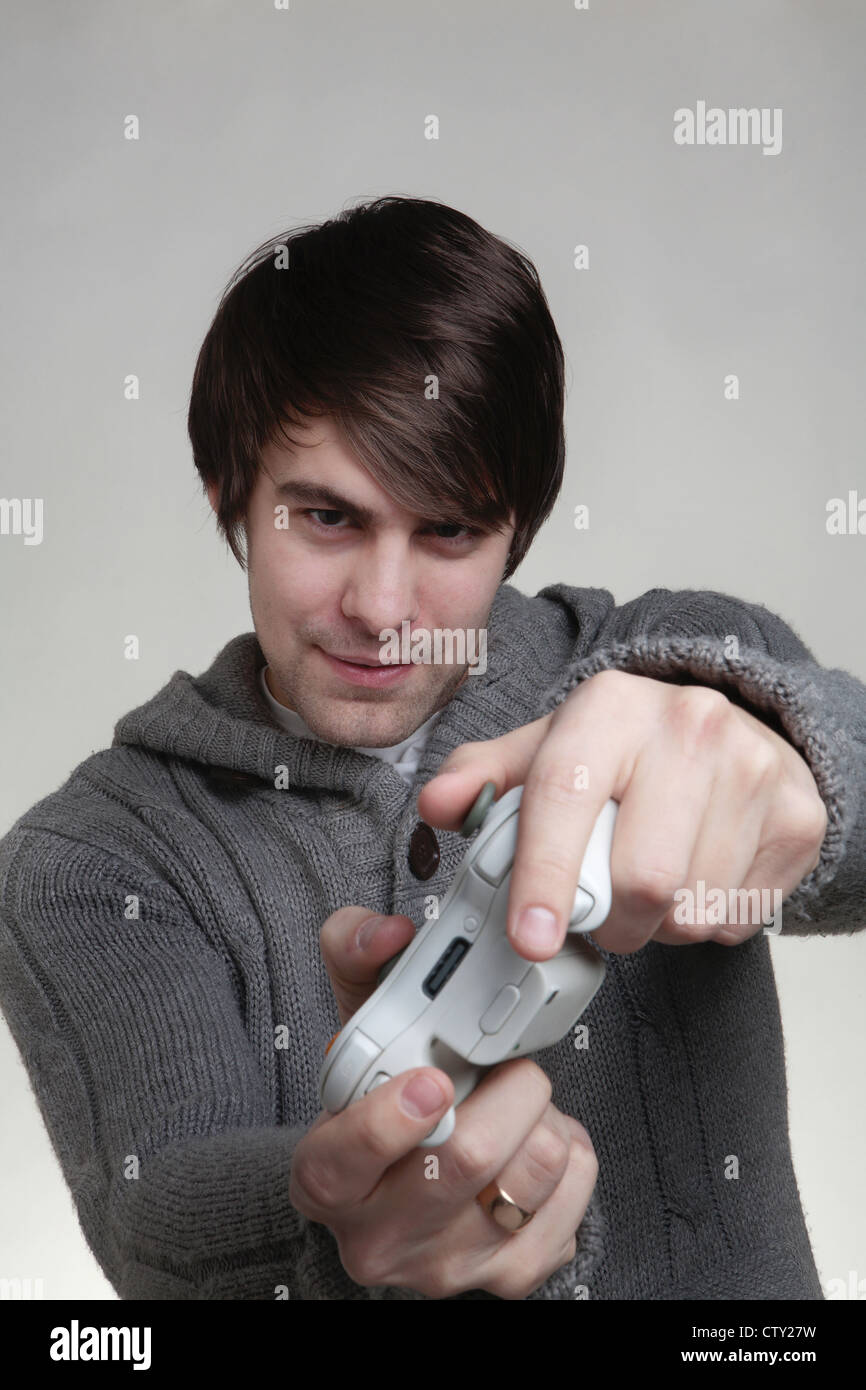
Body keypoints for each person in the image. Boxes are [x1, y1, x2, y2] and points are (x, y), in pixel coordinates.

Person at [1, 196, 863, 1301]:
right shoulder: (91, 858)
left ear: (520, 530)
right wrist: (339, 1222)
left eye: (448, 530)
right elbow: (161, 1212)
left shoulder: (670, 663)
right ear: (228, 495)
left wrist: (790, 758)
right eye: (326, 518)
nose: (383, 606)